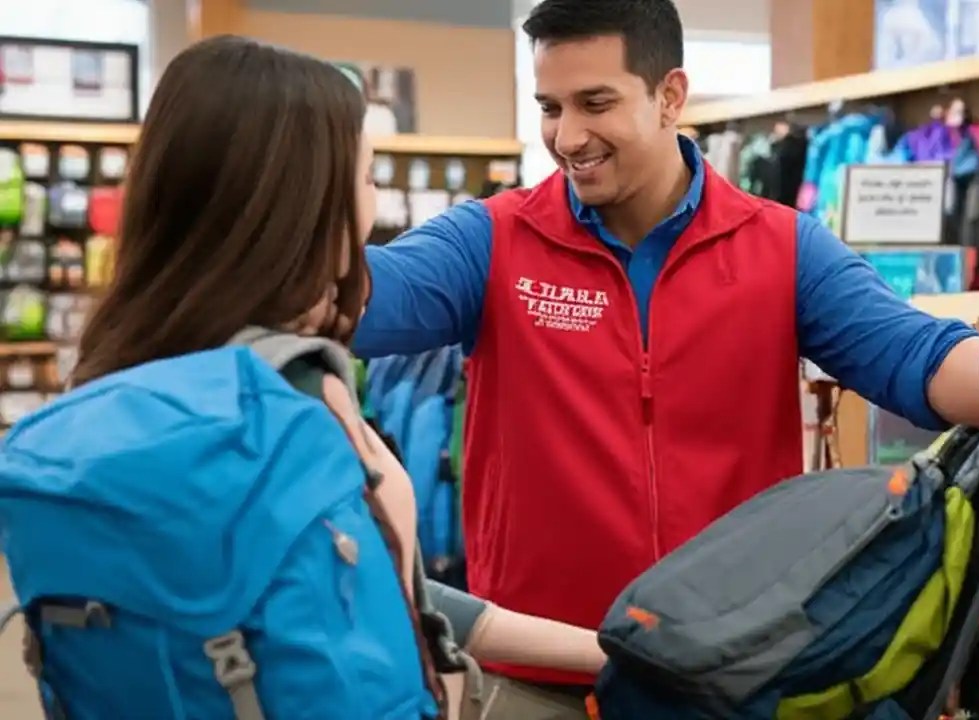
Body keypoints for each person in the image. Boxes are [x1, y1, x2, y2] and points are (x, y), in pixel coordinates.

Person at [352, 0, 979, 716]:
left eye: (595, 103)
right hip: (536, 680)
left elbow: (914, 356)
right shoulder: (492, 240)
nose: (567, 137)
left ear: (669, 95)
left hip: (730, 674)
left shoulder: (780, 247)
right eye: (550, 109)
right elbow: (356, 301)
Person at [65, 34, 605, 702]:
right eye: (369, 175)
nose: (374, 202)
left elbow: (383, 584)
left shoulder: (125, 368)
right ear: (307, 198)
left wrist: (604, 652)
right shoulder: (283, 398)